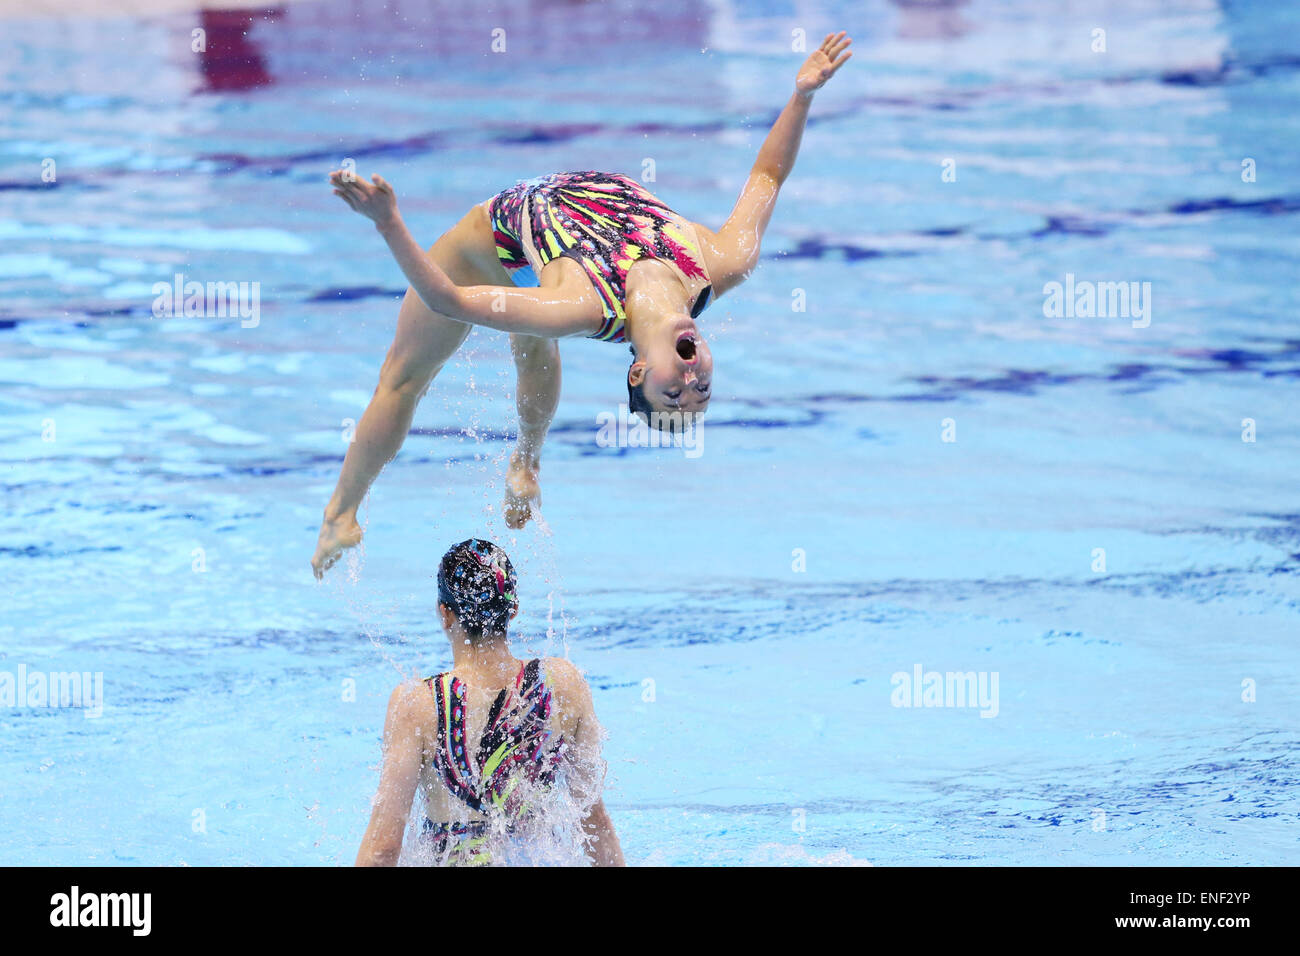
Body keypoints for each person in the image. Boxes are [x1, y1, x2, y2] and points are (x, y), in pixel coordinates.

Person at [312, 33, 854, 579]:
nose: (692, 380)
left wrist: (388, 224)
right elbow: (766, 178)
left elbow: (445, 299)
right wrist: (802, 94)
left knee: (405, 379)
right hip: (547, 265)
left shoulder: (583, 304)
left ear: (638, 370)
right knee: (535, 341)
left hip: (485, 254)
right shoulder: (718, 264)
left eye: (673, 393)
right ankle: (525, 463)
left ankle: (340, 515)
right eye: (702, 389)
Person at [354, 538, 624, 866]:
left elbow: (383, 848)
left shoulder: (418, 704)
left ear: (445, 614)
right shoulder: (563, 685)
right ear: (513, 609)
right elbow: (593, 821)